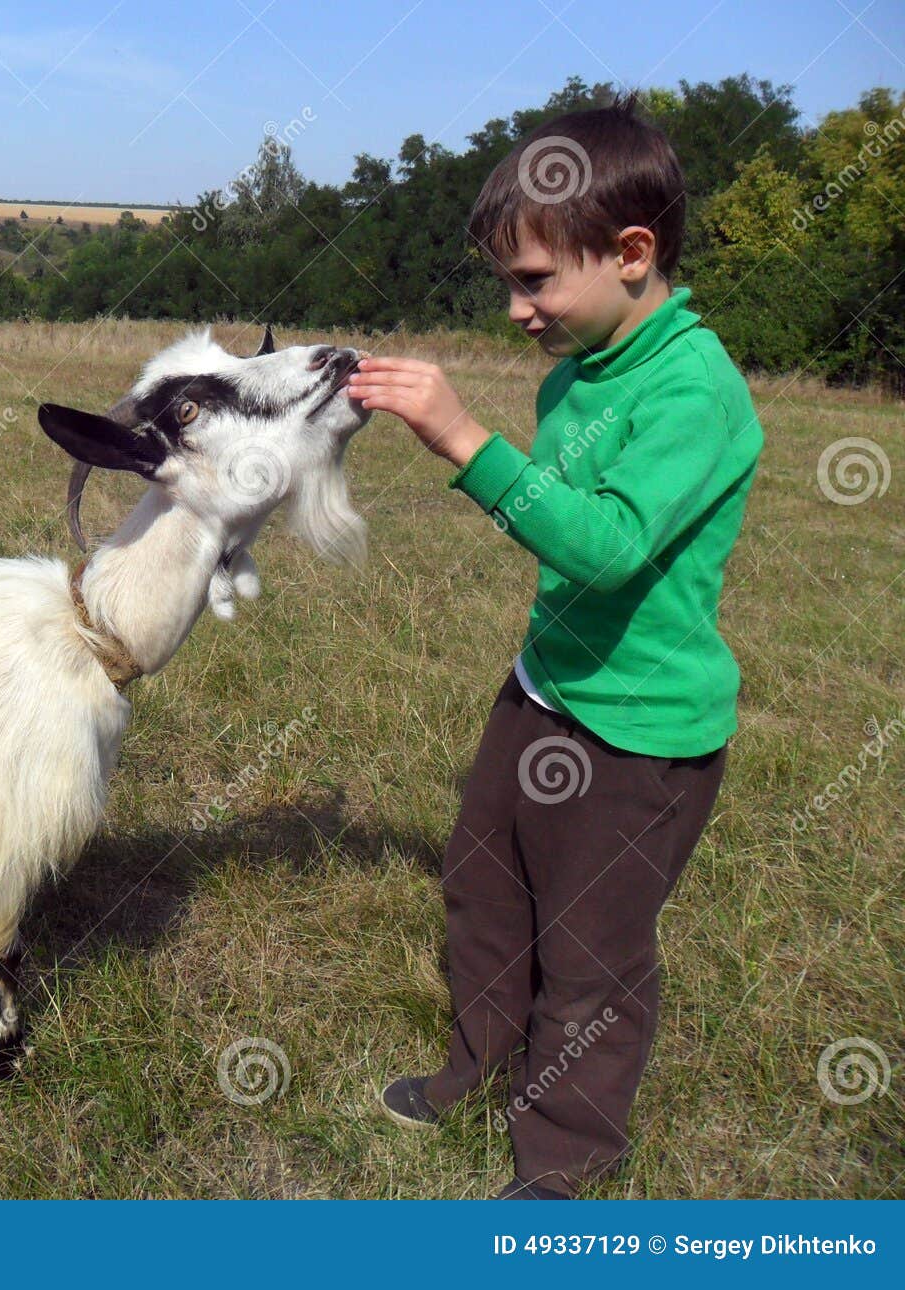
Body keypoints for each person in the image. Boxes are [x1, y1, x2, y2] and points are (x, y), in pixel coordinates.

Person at [344, 95, 763, 1199]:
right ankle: (477, 1072)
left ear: (632, 254)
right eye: (507, 284)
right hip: (544, 694)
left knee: (591, 963)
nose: (516, 309)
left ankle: (562, 1163)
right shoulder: (576, 370)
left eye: (533, 281)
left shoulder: (693, 389)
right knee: (483, 890)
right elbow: (557, 520)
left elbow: (610, 549)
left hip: (641, 740)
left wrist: (461, 437)